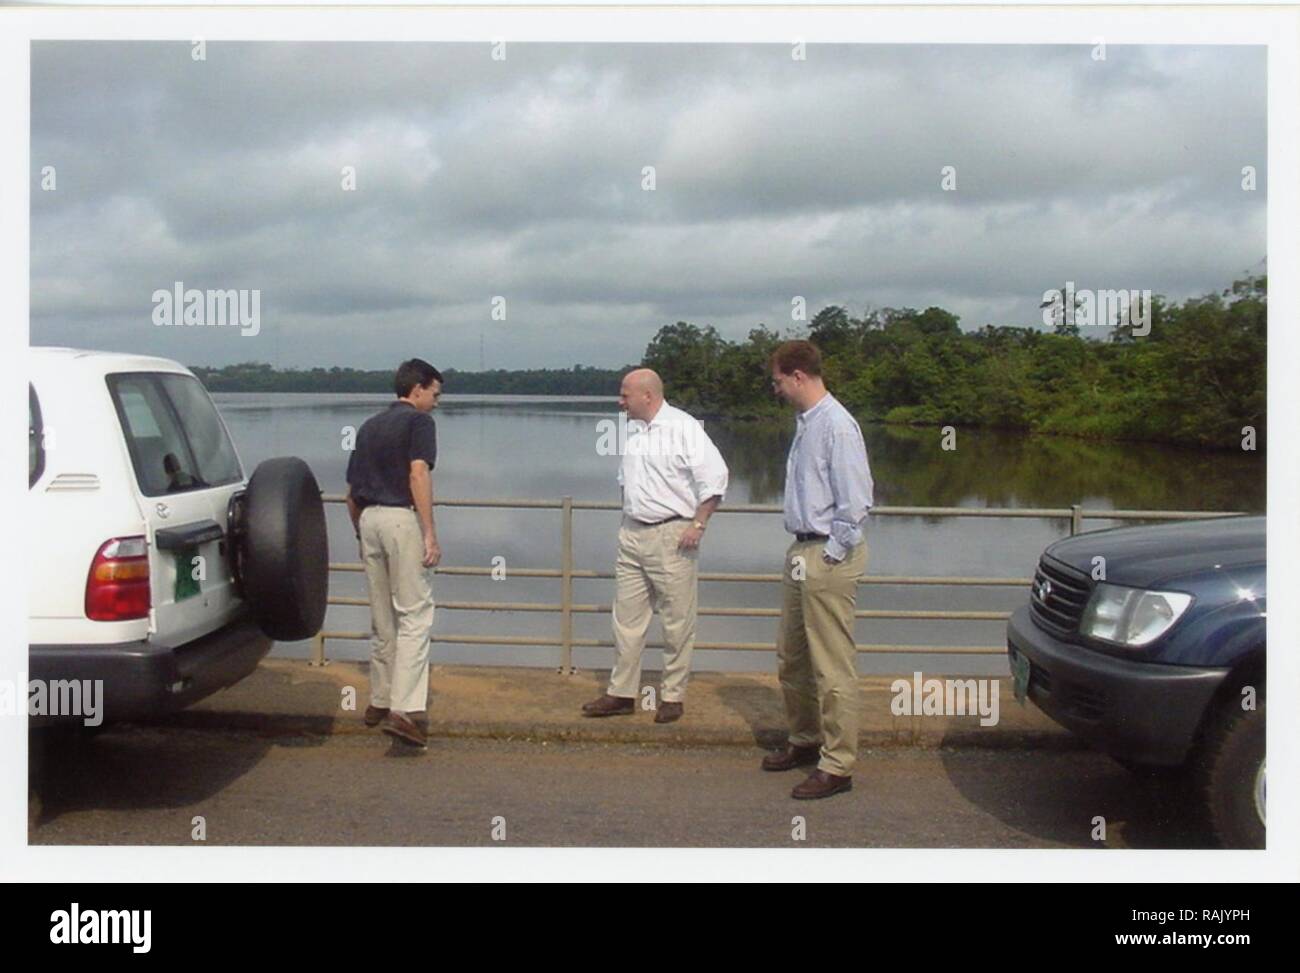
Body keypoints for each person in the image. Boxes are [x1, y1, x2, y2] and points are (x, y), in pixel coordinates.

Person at [582, 368, 729, 724]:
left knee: (677, 621)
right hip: (632, 533)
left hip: (672, 535)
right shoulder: (634, 433)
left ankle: (673, 696)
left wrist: (698, 524)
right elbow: (626, 483)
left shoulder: (685, 429)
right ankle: (621, 693)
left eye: (625, 395)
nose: (620, 402)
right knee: (627, 620)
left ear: (647, 396)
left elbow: (716, 478)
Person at [763, 340, 874, 799]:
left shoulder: (836, 426)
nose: (775, 389)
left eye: (777, 380)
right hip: (802, 550)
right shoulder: (807, 424)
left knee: (832, 666)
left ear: (797, 377)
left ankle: (838, 765)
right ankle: (805, 740)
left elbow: (857, 500)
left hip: (826, 553)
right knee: (794, 657)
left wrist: (831, 553)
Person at [344, 358, 443, 749]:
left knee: (382, 617)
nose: (436, 403)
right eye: (434, 394)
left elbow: (349, 492)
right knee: (415, 615)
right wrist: (429, 532)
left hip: (368, 519)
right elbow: (418, 473)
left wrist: (360, 530)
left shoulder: (369, 426)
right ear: (417, 389)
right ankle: (404, 711)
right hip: (401, 518)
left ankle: (379, 699)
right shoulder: (419, 424)